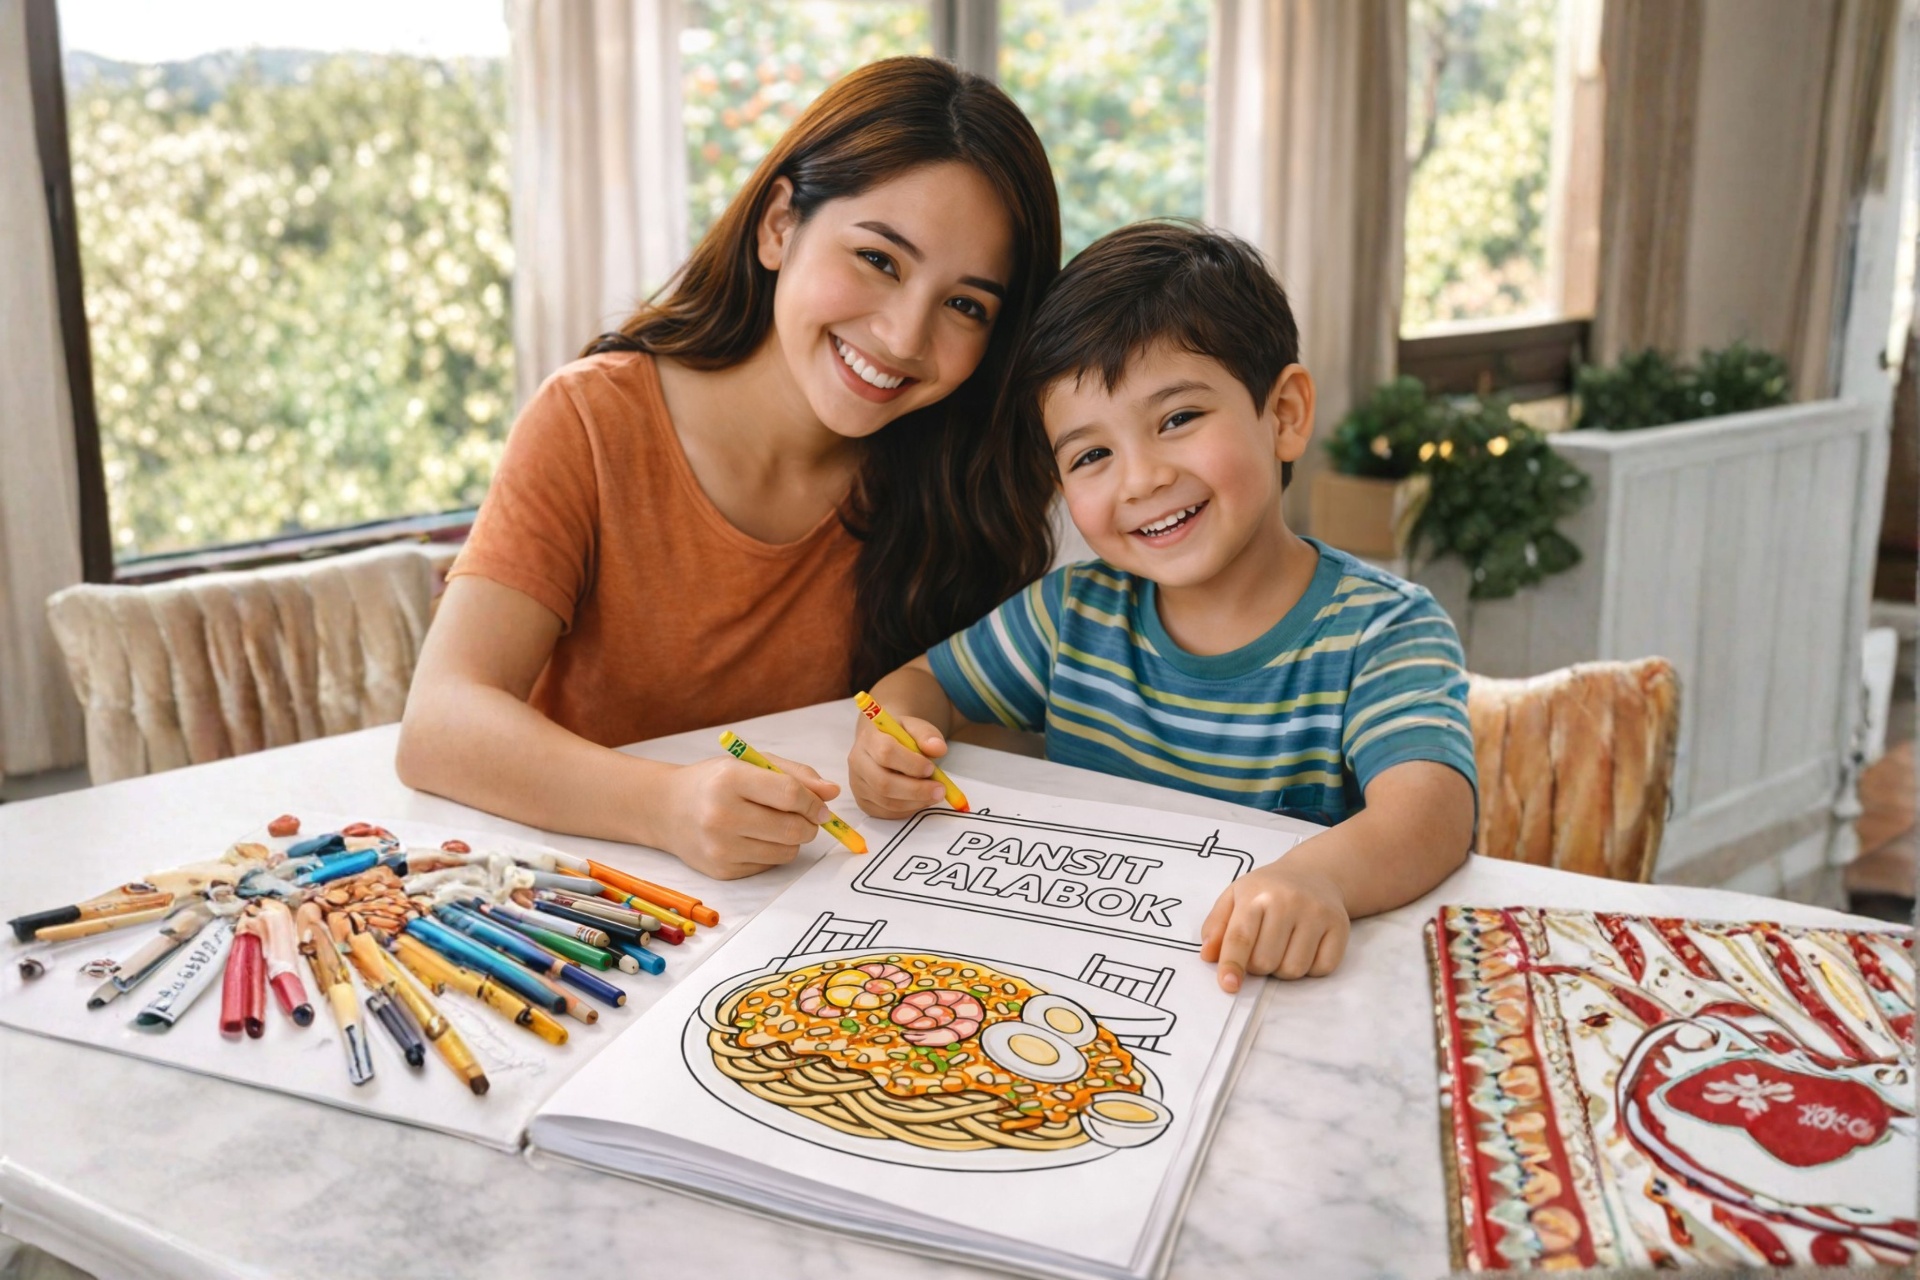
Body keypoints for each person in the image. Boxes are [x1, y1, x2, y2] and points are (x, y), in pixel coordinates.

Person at [398, 59, 1062, 880]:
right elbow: (440, 723)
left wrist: (910, 747)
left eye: (966, 305)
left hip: (828, 910)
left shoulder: (958, 480)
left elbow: (998, 726)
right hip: (592, 903)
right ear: (779, 224)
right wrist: (666, 805)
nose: (902, 336)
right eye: (879, 260)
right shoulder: (593, 420)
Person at [848, 222, 1477, 990]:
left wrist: (1322, 879)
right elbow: (920, 684)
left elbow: (1434, 813)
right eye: (1091, 455)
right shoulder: (1070, 615)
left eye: (1177, 419)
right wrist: (891, 736)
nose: (1140, 479)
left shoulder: (1383, 629)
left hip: (1275, 993)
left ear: (1283, 415)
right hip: (1081, 978)